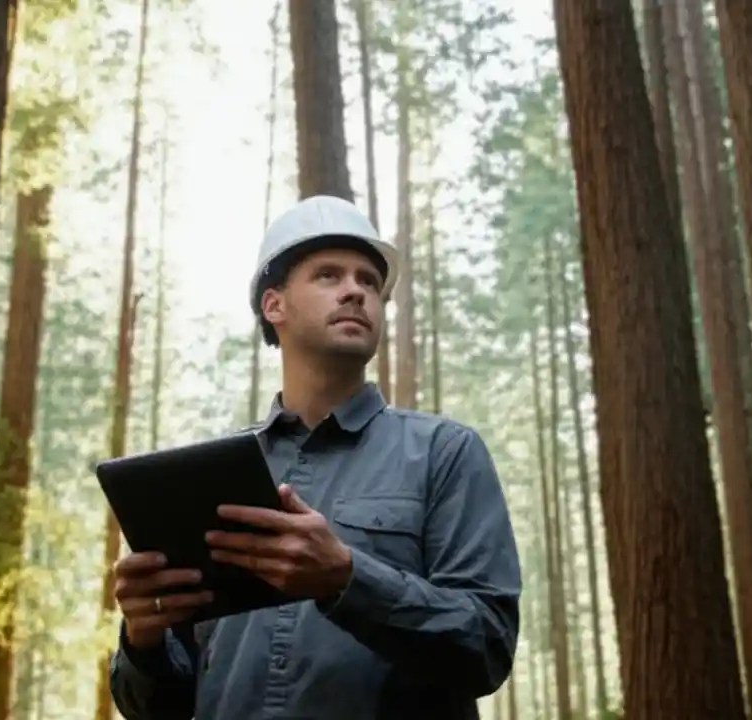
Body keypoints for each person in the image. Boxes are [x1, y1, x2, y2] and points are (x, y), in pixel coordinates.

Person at [106, 194, 521, 719]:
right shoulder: (208, 478)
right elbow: (159, 708)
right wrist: (144, 639)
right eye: (329, 275)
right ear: (273, 305)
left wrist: (347, 579)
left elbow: (487, 646)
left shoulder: (446, 453)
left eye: (369, 282)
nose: (355, 291)